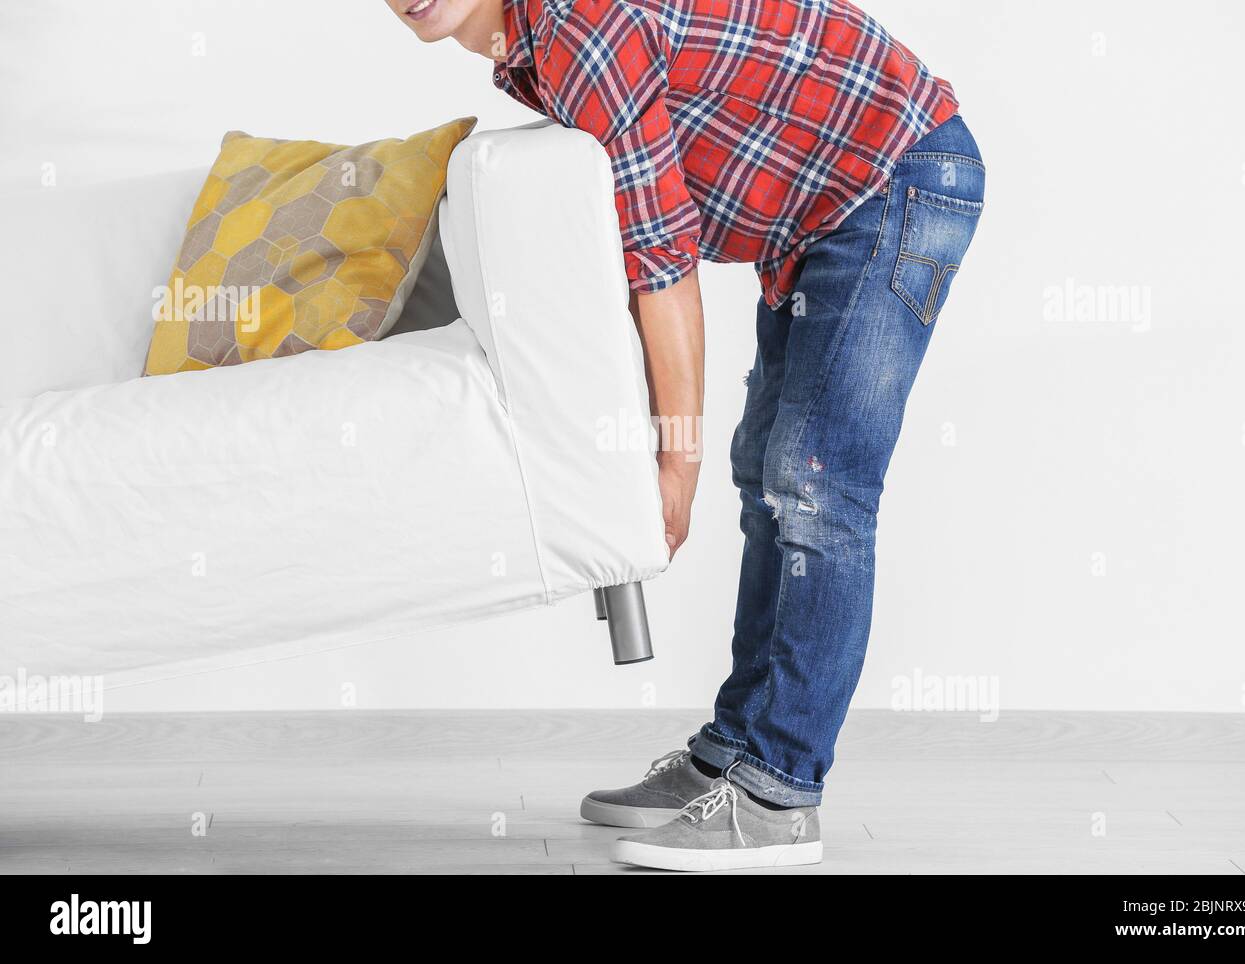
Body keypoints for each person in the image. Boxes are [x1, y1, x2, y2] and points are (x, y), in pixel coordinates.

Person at [386, 0, 984, 872]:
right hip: (826, 208)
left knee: (817, 485)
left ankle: (779, 792)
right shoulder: (532, 49)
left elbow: (661, 261)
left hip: (896, 177)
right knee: (770, 473)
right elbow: (636, 238)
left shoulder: (577, 28)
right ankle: (734, 754)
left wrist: (674, 461)